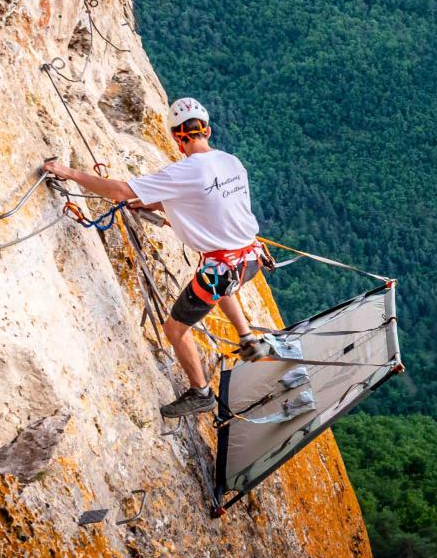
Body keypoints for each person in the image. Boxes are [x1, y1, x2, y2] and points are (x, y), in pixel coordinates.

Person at [43, 97, 273, 418]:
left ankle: (201, 392)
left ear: (178, 137)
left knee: (174, 329)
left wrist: (69, 172)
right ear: (205, 130)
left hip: (222, 267)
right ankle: (247, 337)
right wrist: (154, 204)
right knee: (220, 284)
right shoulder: (232, 163)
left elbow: (122, 191)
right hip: (251, 258)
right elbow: (210, 204)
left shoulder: (184, 171)